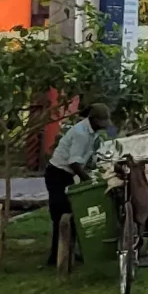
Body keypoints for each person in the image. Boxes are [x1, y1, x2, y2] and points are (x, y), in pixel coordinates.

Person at [43, 97, 110, 266]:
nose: (103, 126)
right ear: (93, 119)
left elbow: (83, 159)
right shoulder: (81, 133)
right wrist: (88, 181)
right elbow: (74, 162)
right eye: (101, 122)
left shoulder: (90, 132)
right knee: (61, 215)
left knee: (71, 212)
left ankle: (67, 251)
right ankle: (57, 256)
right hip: (57, 174)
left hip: (65, 174)